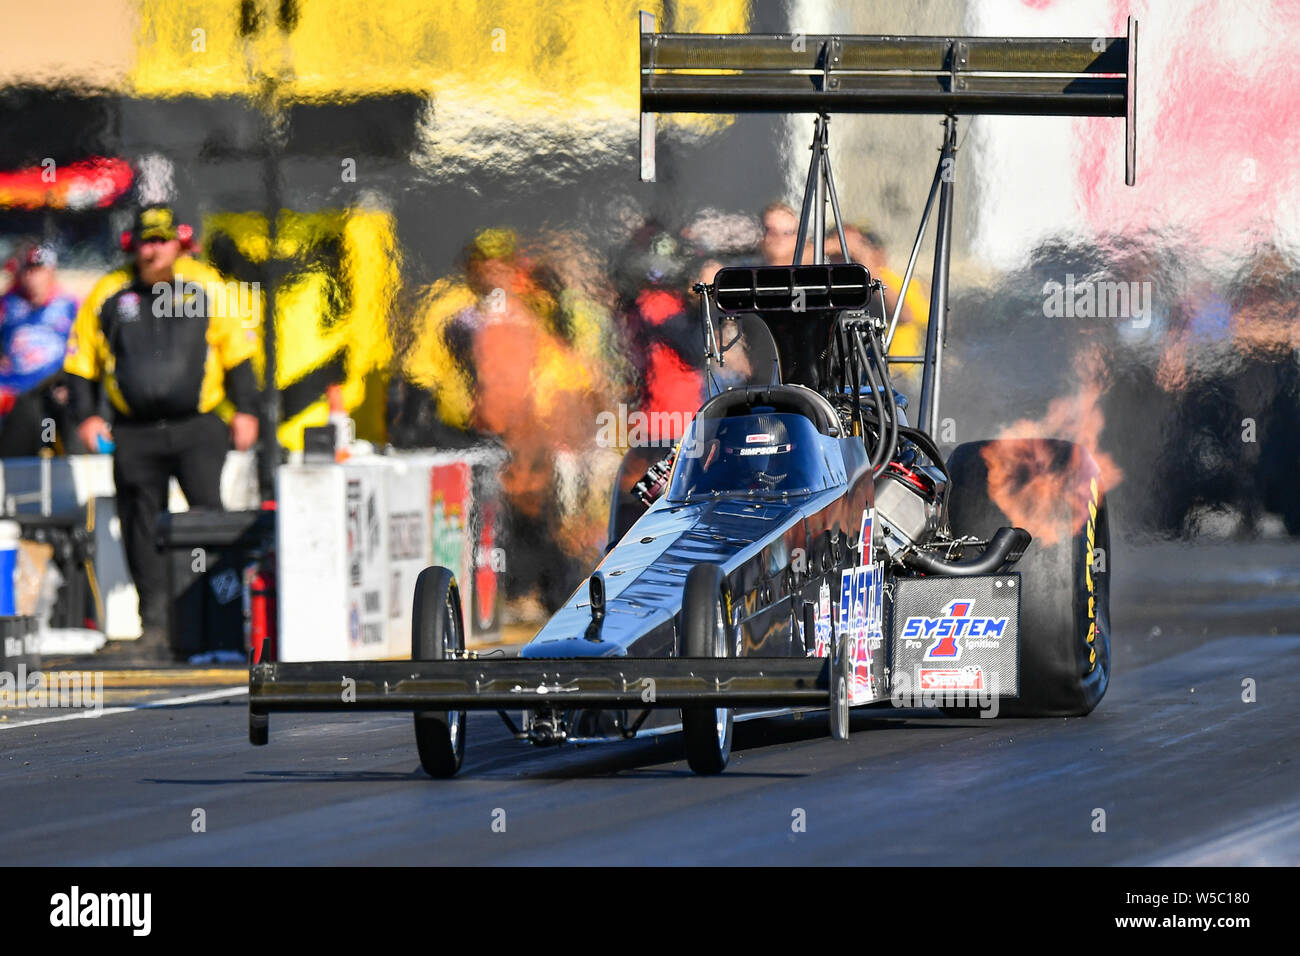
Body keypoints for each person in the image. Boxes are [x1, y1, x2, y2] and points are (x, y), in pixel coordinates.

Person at [64, 204, 261, 661]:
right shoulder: (110, 291)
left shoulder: (208, 285)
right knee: (139, 525)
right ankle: (155, 628)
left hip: (199, 425)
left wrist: (247, 410)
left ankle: (221, 623)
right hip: (134, 432)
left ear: (179, 243)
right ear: (132, 245)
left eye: (161, 241)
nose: (153, 251)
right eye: (145, 242)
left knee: (210, 520)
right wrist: (87, 417)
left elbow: (238, 352)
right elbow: (79, 362)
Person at [0, 244, 84, 456]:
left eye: (38, 270)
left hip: (53, 389)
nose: (32, 277)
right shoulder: (8, 304)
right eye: (27, 271)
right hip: (14, 391)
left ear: (50, 272)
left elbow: (83, 349)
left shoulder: (70, 305)